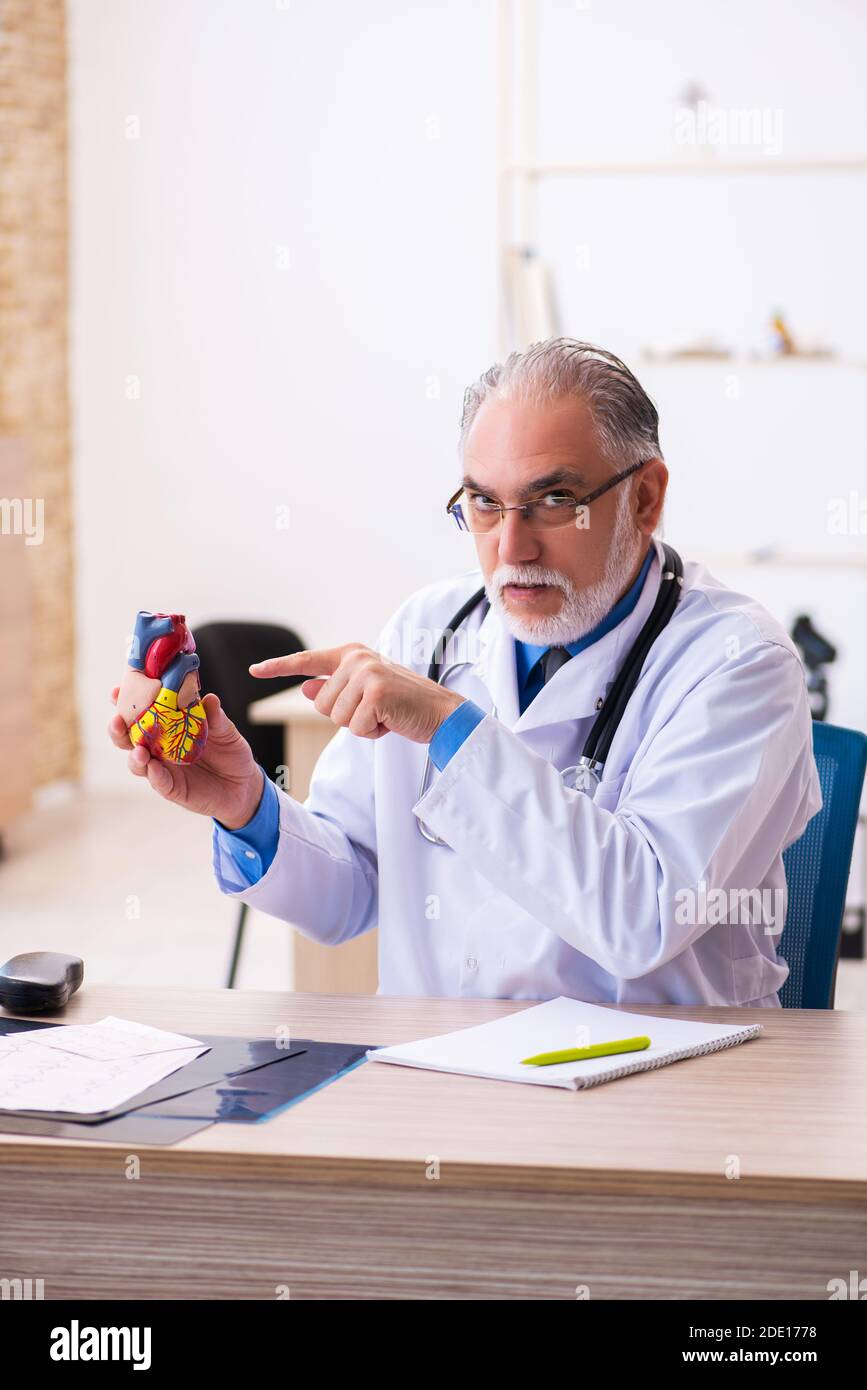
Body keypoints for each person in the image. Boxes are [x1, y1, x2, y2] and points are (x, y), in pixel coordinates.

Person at [108, 339, 822, 1005]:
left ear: (644, 498)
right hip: (443, 1080)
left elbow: (640, 919)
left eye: (552, 499)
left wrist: (451, 729)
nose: (511, 546)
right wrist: (246, 807)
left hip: (655, 1088)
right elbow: (348, 895)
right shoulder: (429, 629)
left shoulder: (736, 664)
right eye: (483, 501)